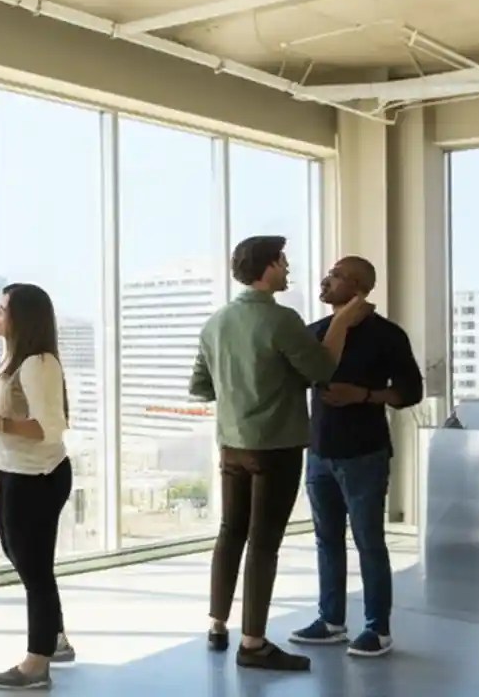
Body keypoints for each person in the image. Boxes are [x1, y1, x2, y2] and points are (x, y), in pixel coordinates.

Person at [189, 235, 370, 672]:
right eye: (284, 263)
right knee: (264, 543)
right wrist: (342, 323)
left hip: (232, 445)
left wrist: (242, 385)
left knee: (231, 532)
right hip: (276, 447)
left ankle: (217, 625)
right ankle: (253, 643)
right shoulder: (282, 319)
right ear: (267, 267)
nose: (288, 270)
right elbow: (322, 370)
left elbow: (200, 387)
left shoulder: (216, 322)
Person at [288, 257, 423, 657]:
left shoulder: (388, 336)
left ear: (359, 285)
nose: (325, 280)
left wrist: (364, 395)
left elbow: (409, 392)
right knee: (326, 541)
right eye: (328, 274)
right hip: (319, 455)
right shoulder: (315, 333)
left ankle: (377, 629)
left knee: (369, 542)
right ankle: (331, 622)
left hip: (365, 454)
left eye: (335, 276)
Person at [0, 283, 75, 690]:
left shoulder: (38, 364)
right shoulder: (14, 360)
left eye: (2, 309)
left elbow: (49, 428)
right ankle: (54, 639)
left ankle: (36, 663)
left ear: (23, 317)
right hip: (13, 474)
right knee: (26, 560)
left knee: (34, 569)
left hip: (37, 479)